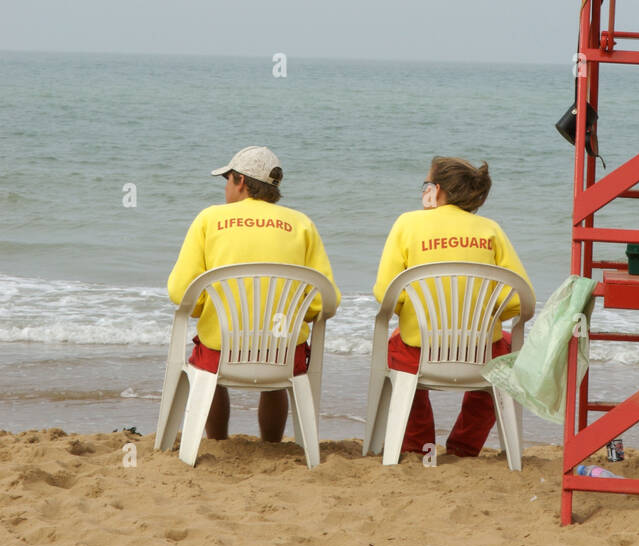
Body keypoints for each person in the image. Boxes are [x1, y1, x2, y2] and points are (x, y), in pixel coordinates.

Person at [167, 145, 339, 443]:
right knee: (276, 378)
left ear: (241, 181)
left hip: (222, 353)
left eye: (227, 180)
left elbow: (181, 292)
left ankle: (218, 442)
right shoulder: (301, 223)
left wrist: (204, 308)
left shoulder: (209, 219)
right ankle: (272, 445)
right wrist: (304, 313)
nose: (226, 189)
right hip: (283, 354)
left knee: (210, 375)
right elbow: (325, 301)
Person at [373, 156, 532, 458]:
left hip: (422, 354)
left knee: (397, 349)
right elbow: (518, 301)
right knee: (505, 358)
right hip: (480, 353)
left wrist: (415, 309)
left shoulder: (407, 224)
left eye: (427, 184)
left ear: (438, 189)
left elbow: (386, 295)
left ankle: (422, 448)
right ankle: (464, 447)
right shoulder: (490, 230)